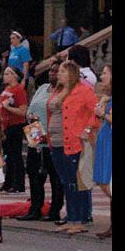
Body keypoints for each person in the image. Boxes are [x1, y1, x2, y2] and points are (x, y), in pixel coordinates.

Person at [46, 61, 98, 235]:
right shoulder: (58, 91)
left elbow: (96, 112)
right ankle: (73, 217)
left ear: (71, 73)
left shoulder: (84, 91)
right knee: (66, 181)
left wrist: (87, 129)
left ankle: (78, 218)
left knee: (74, 181)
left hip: (73, 142)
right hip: (56, 141)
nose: (58, 73)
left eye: (62, 71)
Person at [19, 61, 63, 222]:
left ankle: (55, 210)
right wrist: (30, 117)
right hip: (35, 133)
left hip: (53, 137)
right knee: (33, 173)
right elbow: (31, 107)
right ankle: (35, 208)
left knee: (55, 176)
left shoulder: (63, 92)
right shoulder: (42, 88)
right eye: (51, 71)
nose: (52, 73)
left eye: (56, 71)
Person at [0, 67, 29, 193]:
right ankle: (8, 182)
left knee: (15, 155)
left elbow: (23, 111)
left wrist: (8, 107)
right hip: (5, 125)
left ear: (14, 76)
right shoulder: (6, 89)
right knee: (8, 155)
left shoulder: (19, 90)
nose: (4, 76)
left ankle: (18, 183)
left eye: (7, 74)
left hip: (15, 125)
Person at [93, 65, 111, 238]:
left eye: (105, 73)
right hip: (105, 139)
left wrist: (103, 113)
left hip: (110, 143)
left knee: (108, 182)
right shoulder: (107, 97)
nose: (102, 76)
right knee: (103, 181)